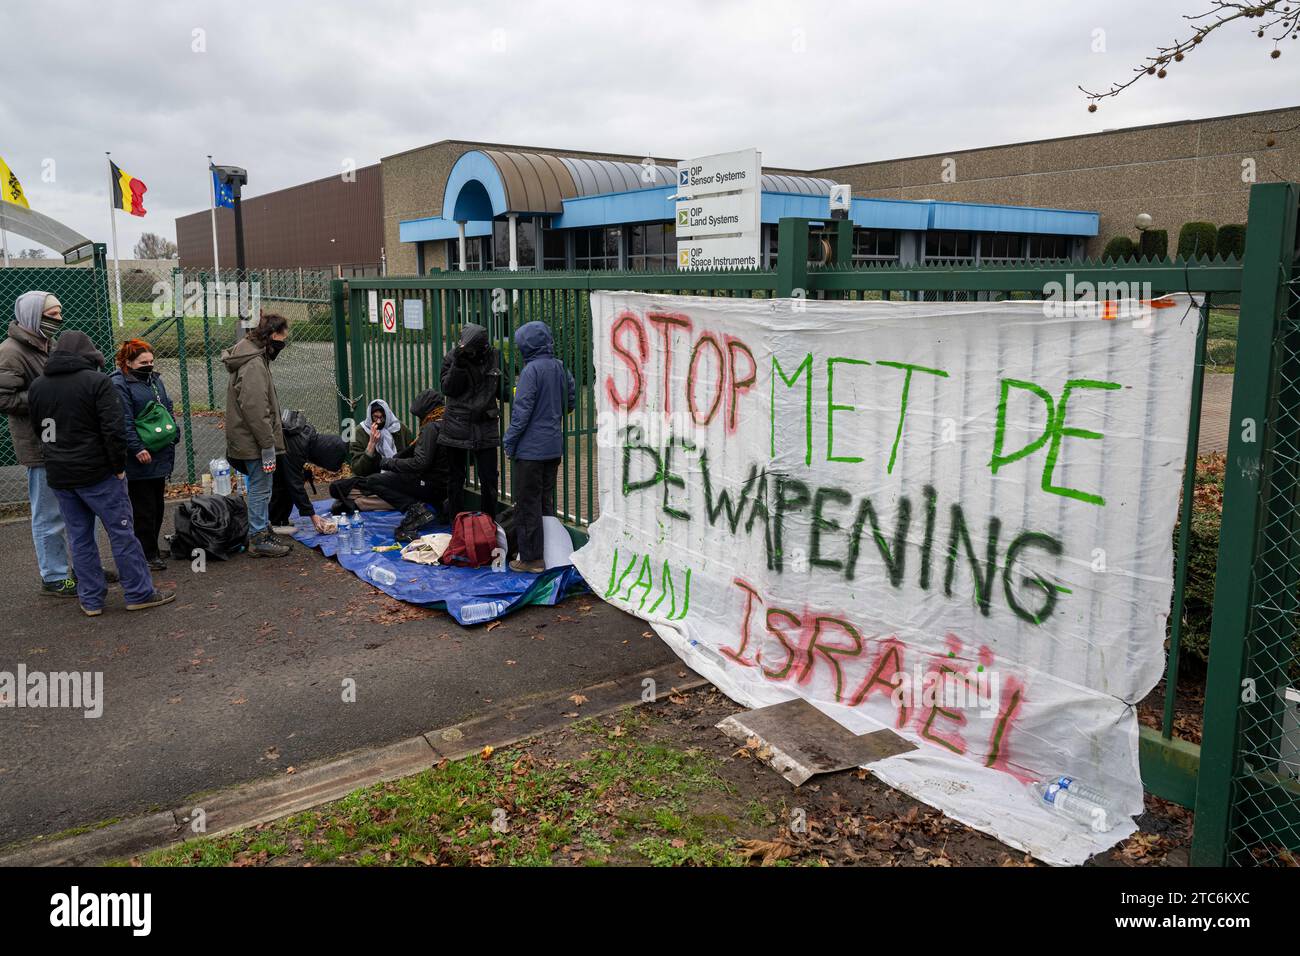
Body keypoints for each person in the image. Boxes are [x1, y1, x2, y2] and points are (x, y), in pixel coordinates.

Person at [27, 331, 174, 615]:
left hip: (61, 476)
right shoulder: (97, 382)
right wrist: (118, 468)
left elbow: (39, 430)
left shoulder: (38, 386)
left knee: (79, 537)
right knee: (122, 533)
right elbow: (113, 430)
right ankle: (139, 592)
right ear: (88, 354)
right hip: (99, 474)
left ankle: (91, 599)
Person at [0, 291, 118, 596]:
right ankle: (53, 576)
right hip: (40, 446)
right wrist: (49, 398)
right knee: (49, 514)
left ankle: (85, 568)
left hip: (68, 445)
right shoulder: (11, 352)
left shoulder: (47, 345)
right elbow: (5, 398)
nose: (58, 319)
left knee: (82, 511)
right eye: (51, 314)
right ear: (32, 315)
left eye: (59, 313)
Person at [502, 321, 575, 573]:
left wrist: (509, 442)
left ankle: (531, 558)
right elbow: (571, 400)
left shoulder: (531, 372)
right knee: (545, 501)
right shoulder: (559, 368)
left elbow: (521, 414)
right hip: (553, 448)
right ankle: (552, 554)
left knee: (527, 504)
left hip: (530, 451)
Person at [221, 313, 290, 558]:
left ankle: (262, 529)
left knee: (262, 486)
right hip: (253, 440)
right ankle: (258, 537)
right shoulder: (253, 364)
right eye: (283, 336)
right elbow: (256, 408)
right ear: (273, 335)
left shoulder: (251, 355)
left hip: (248, 438)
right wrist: (267, 445)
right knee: (261, 487)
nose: (285, 341)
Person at [109, 338, 178, 571]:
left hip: (159, 451)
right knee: (143, 508)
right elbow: (124, 420)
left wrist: (174, 431)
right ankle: (146, 554)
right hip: (139, 456)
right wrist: (137, 447)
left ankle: (152, 549)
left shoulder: (154, 380)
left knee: (157, 505)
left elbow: (167, 407)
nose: (149, 365)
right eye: (142, 362)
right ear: (128, 362)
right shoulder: (120, 385)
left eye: (151, 360)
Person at [361, 389, 453, 542]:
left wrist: (390, 463)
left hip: (431, 484)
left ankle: (415, 510)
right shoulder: (446, 422)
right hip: (444, 483)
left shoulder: (431, 428)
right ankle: (435, 510)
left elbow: (420, 463)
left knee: (373, 481)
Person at [439, 323, 503, 521]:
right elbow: (448, 389)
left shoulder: (495, 356)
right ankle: (456, 525)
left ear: (482, 347)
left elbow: (504, 389)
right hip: (457, 424)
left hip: (485, 425)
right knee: (455, 479)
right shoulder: (453, 357)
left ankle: (488, 525)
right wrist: (458, 365)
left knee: (489, 480)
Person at [268, 410, 347, 535]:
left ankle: (281, 520)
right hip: (251, 454)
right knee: (284, 480)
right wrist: (313, 516)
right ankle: (275, 522)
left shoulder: (307, 436)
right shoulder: (297, 446)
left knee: (289, 476)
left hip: (267, 450)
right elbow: (294, 484)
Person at [348, 399, 410, 478]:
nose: (379, 421)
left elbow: (411, 455)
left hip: (400, 476)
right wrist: (371, 444)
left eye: (382, 417)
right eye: (375, 417)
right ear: (370, 416)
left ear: (387, 415)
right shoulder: (359, 433)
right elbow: (358, 470)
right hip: (371, 479)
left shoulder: (398, 428)